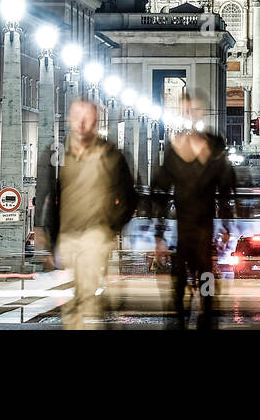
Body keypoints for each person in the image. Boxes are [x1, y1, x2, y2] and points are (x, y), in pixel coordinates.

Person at [33, 98, 139, 330]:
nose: (81, 123)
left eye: (87, 118)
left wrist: (111, 227)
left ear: (96, 121)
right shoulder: (55, 153)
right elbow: (44, 193)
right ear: (69, 119)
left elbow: (129, 195)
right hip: (66, 235)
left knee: (85, 291)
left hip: (96, 234)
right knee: (72, 298)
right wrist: (41, 230)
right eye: (77, 117)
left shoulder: (111, 154)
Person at [150, 90, 237, 329]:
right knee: (177, 288)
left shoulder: (215, 146)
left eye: (195, 110)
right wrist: (158, 236)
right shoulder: (173, 150)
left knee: (207, 284)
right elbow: (159, 192)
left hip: (206, 234)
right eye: (186, 110)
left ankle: (206, 314)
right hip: (182, 232)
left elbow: (227, 188)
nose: (190, 115)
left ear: (203, 113)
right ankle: (180, 318)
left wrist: (228, 227)